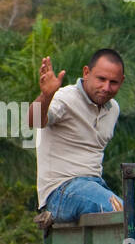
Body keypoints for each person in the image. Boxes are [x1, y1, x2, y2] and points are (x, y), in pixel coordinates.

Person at [31, 50, 125, 227]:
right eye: (101, 79)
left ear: (122, 82)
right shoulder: (65, 98)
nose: (106, 87)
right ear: (86, 73)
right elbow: (34, 120)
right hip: (61, 191)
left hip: (95, 185)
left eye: (113, 82)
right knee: (124, 214)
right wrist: (46, 95)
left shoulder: (113, 109)